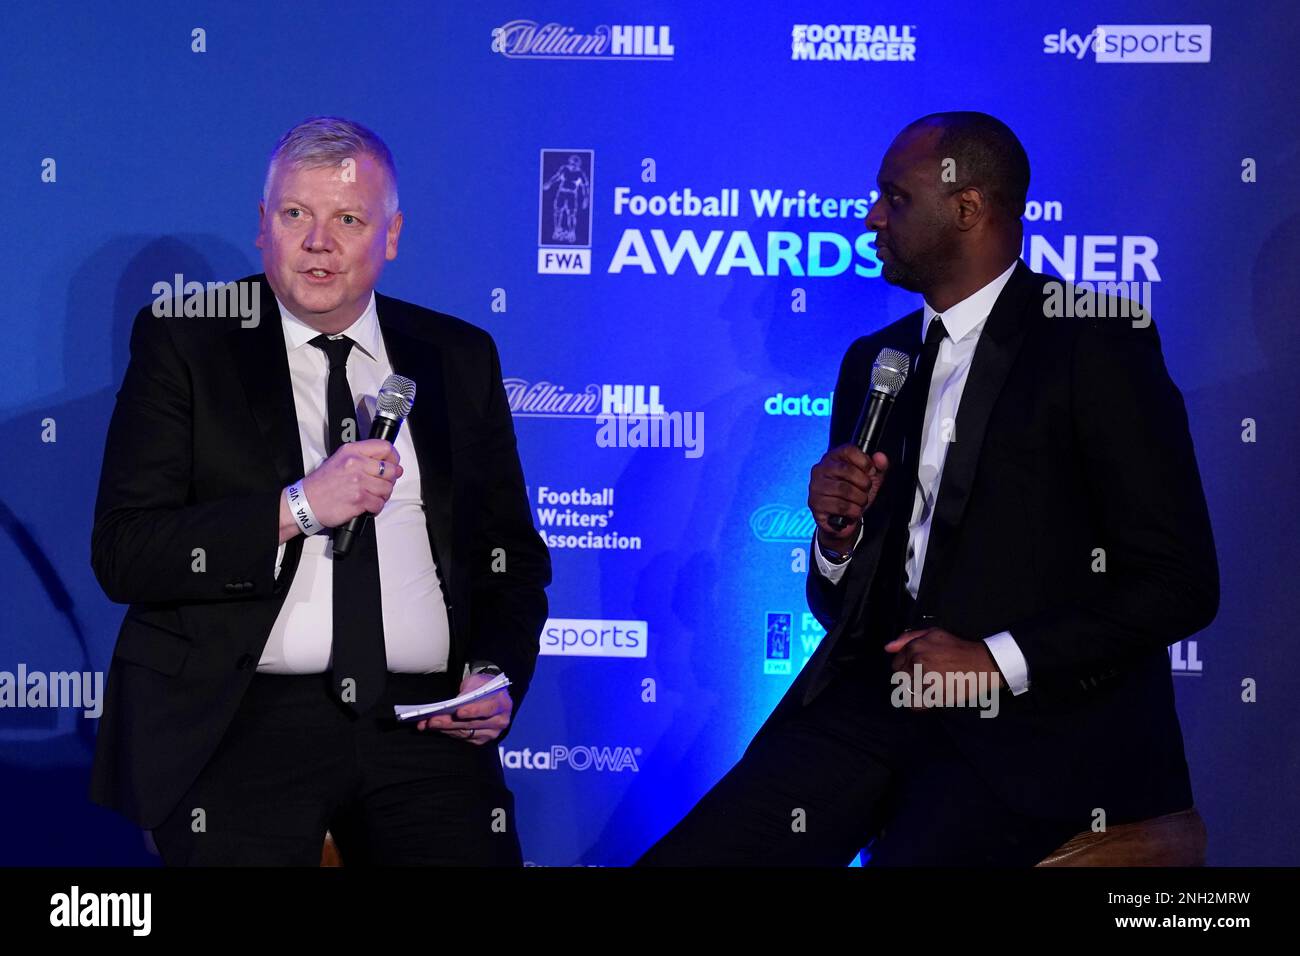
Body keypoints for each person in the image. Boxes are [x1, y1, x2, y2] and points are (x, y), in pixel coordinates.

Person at [638, 111, 1218, 866]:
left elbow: (1180, 584)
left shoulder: (1095, 339)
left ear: (968, 207)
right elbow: (840, 606)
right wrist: (838, 540)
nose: (872, 216)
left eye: (895, 197)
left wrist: (991, 659)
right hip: (869, 706)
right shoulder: (874, 361)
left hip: (1027, 726)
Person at [89, 116, 550, 865]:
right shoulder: (186, 340)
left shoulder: (456, 356)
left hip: (421, 724)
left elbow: (511, 558)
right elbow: (125, 552)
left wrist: (494, 673)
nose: (318, 243)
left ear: (391, 236)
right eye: (295, 214)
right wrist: (297, 508)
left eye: (348, 219)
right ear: (262, 227)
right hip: (241, 723)